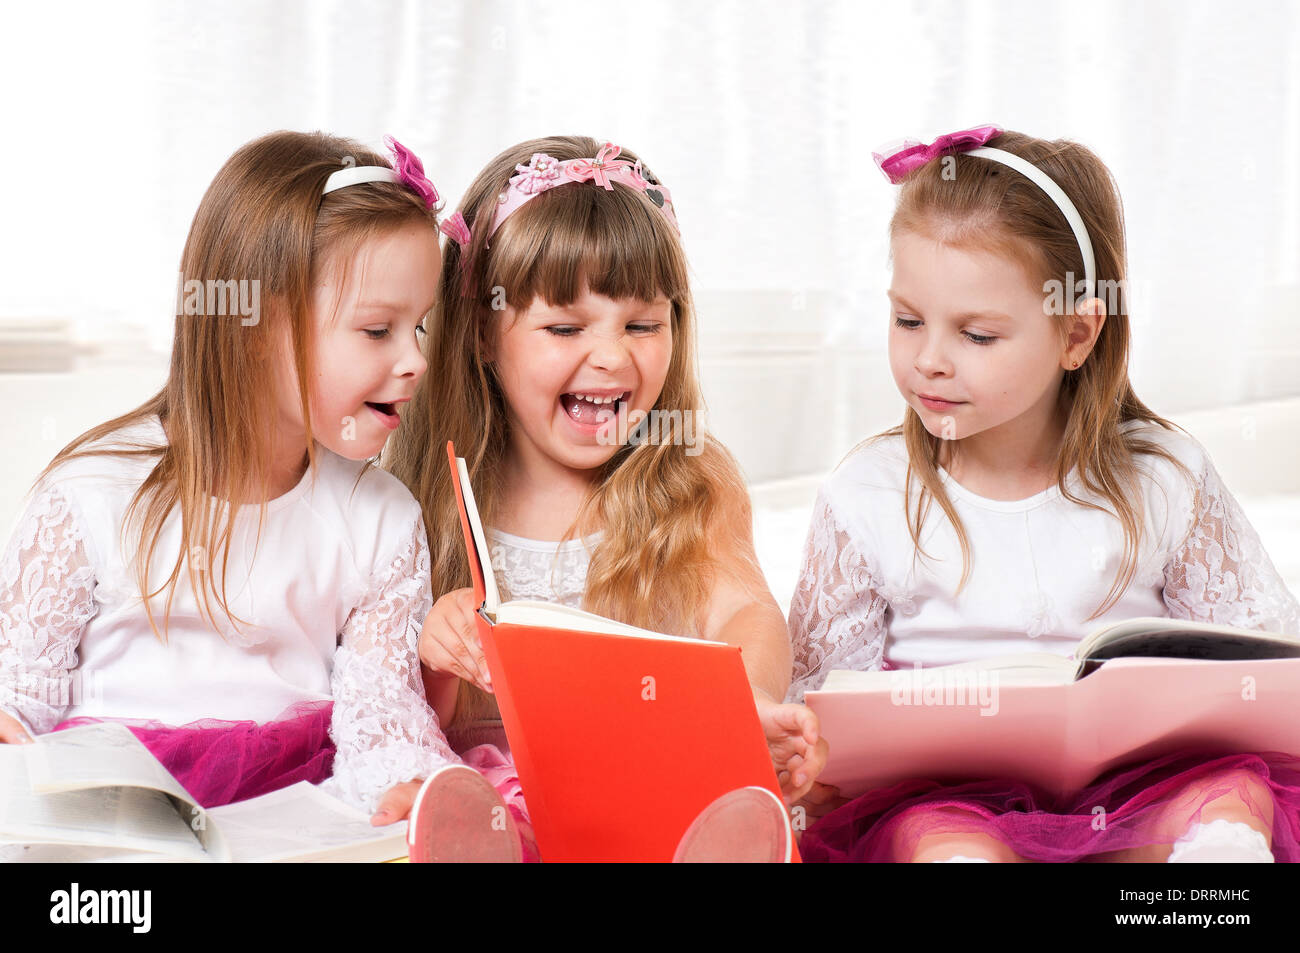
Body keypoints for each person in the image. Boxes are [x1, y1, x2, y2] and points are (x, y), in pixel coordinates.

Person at [787, 126, 1300, 863]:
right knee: (944, 845)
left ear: (1076, 333)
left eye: (977, 335)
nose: (928, 359)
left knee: (1231, 807)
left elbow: (1267, 666)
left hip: (1143, 783)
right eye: (907, 321)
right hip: (946, 795)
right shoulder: (868, 494)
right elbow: (822, 704)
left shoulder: (1163, 476)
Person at [0, 130, 459, 830]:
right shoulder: (91, 493)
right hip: (111, 811)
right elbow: (23, 688)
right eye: (377, 331)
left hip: (292, 812)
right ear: (254, 325)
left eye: (419, 328)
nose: (414, 361)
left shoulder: (381, 519)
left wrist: (398, 783)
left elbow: (379, 707)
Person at [385, 136, 825, 861]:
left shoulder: (692, 481)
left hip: (652, 783)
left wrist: (745, 702)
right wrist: (440, 645)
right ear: (484, 337)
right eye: (565, 327)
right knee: (441, 809)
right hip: (503, 796)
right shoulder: (431, 495)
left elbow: (747, 609)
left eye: (643, 325)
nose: (614, 357)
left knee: (716, 808)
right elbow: (405, 707)